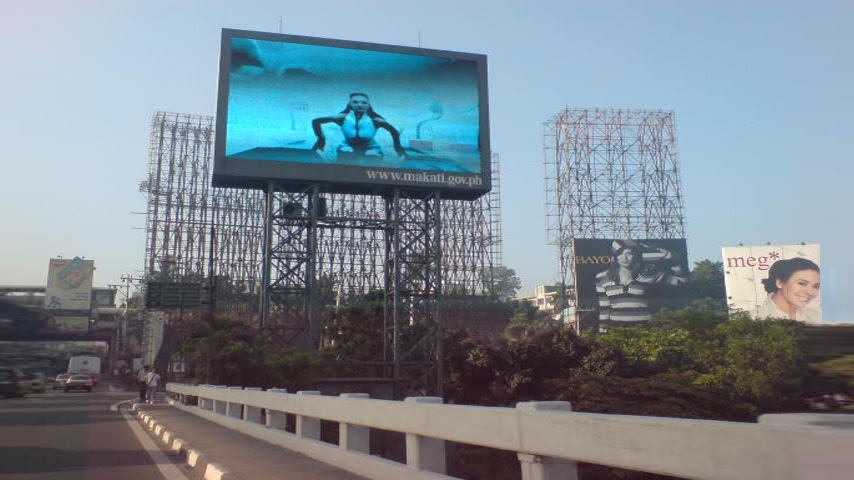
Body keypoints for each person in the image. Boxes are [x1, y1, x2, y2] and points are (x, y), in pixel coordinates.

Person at [595, 240, 686, 324]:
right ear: (615, 256)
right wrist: (603, 333)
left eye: (629, 253)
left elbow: (682, 282)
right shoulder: (602, 277)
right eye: (620, 253)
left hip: (644, 328)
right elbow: (604, 309)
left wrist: (672, 261)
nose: (625, 258)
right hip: (617, 330)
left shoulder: (648, 274)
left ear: (635, 255)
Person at [311, 93, 406, 159]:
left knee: (372, 160)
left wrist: (398, 148)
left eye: (363, 102)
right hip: (347, 146)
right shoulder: (342, 118)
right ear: (349, 104)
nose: (359, 105)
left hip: (371, 148)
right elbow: (316, 121)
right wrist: (321, 141)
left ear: (368, 105)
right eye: (355, 102)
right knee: (345, 159)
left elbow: (394, 132)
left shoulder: (375, 120)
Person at [757, 257, 821, 323]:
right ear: (779, 282)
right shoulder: (756, 318)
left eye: (816, 286)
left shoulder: (816, 316)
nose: (810, 292)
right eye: (802, 283)